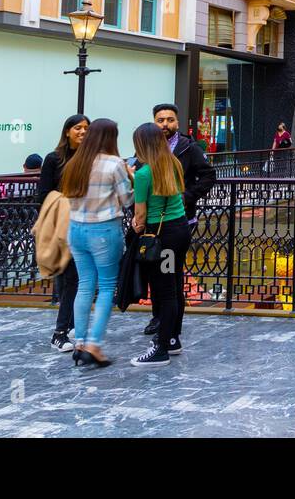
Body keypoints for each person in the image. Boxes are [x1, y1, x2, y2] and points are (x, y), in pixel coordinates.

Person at [61, 118, 134, 367]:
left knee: (84, 285)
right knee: (105, 287)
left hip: (76, 229)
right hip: (103, 229)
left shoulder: (74, 163)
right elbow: (127, 201)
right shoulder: (114, 164)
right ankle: (94, 344)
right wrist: (132, 178)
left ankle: (79, 342)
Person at [146, 104, 216, 341]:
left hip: (180, 221)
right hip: (154, 222)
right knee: (156, 270)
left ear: (177, 122)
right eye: (160, 120)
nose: (165, 124)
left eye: (170, 120)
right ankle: (159, 317)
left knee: (171, 272)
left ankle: (171, 327)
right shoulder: (148, 148)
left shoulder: (189, 148)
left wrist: (187, 197)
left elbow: (208, 176)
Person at [129, 122, 192, 365]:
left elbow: (141, 215)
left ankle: (161, 348)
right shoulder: (173, 163)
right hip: (179, 229)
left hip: (161, 237)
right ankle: (173, 339)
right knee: (175, 285)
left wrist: (136, 225)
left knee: (164, 291)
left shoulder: (144, 174)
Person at [37, 114, 89, 354]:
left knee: (77, 279)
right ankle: (59, 333)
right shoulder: (54, 159)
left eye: (86, 128)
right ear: (67, 131)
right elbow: (43, 195)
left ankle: (68, 326)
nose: (82, 132)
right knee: (70, 279)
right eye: (77, 127)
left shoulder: (90, 160)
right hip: (62, 225)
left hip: (85, 225)